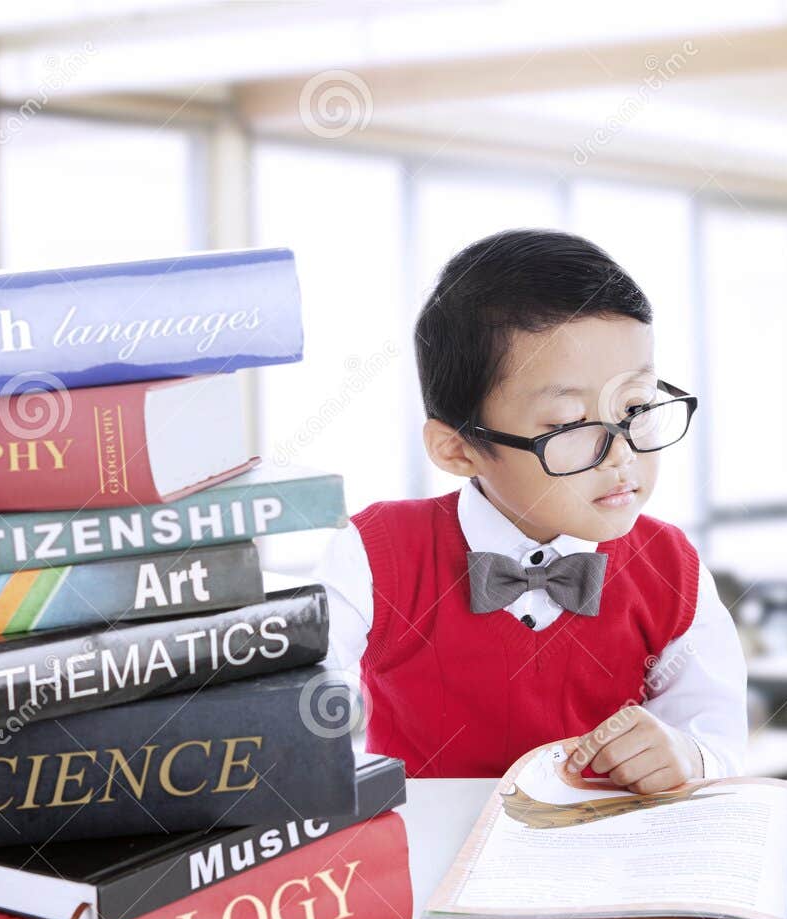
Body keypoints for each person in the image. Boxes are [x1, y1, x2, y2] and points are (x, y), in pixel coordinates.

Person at [313, 229, 746, 794]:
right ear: (458, 449)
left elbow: (718, 741)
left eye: (635, 407)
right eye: (568, 424)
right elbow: (287, 694)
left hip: (607, 864)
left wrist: (687, 755)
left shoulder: (671, 567)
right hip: (428, 868)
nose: (621, 453)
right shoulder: (377, 552)